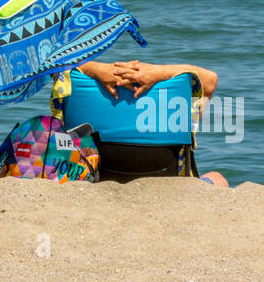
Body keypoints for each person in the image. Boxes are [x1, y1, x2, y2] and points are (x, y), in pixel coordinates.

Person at [75, 58, 229, 186]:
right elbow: (210, 81)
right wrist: (159, 73)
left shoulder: (73, 87)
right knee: (218, 178)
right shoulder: (175, 106)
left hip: (94, 178)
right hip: (170, 183)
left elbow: (58, 68)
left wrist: (94, 68)